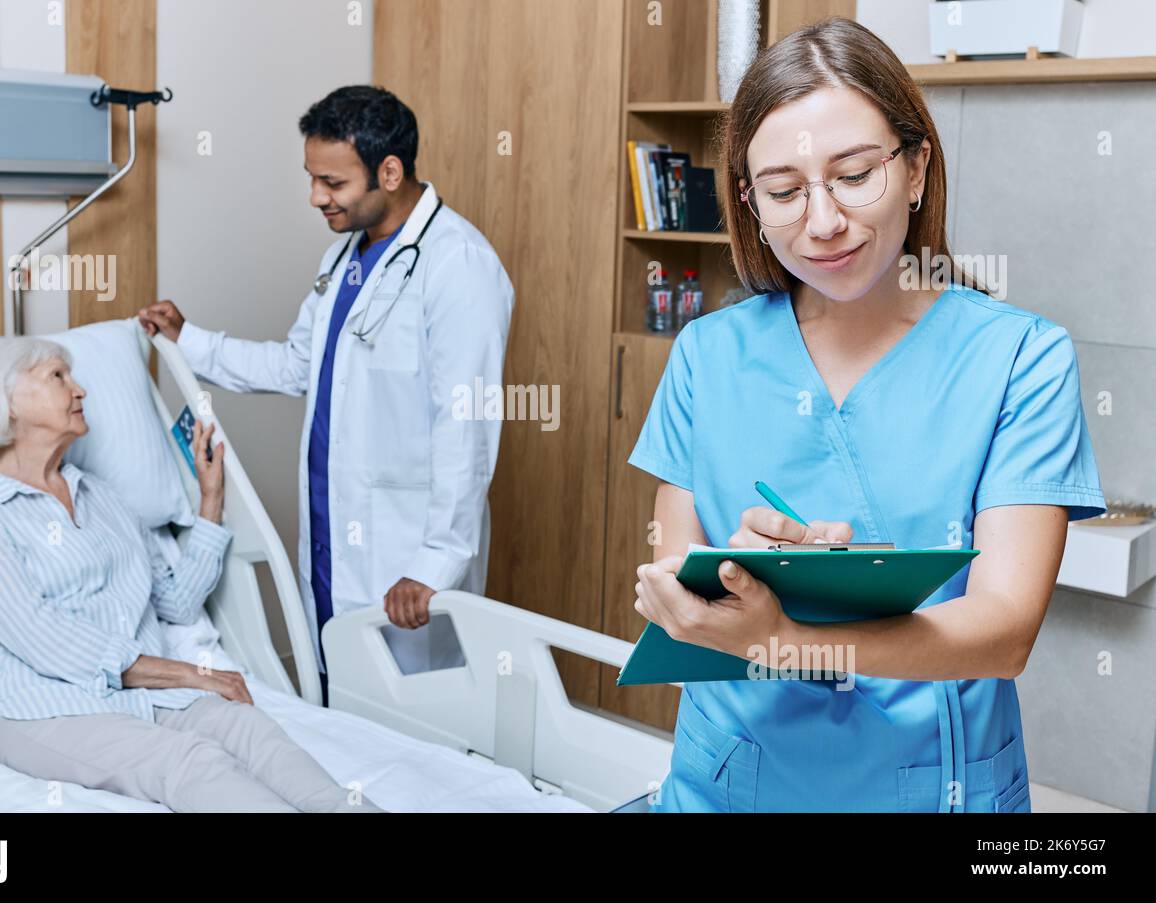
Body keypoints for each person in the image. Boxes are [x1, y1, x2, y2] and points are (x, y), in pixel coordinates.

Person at [628, 17, 1105, 812]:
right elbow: (678, 618)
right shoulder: (705, 356)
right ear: (749, 200)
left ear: (917, 166)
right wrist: (728, 584)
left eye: (854, 175)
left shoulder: (1020, 359)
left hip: (928, 784)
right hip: (728, 782)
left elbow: (1005, 629)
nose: (821, 222)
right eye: (783, 191)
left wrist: (787, 636)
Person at [139, 86, 513, 692]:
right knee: (343, 702)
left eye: (333, 183)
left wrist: (435, 563)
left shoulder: (457, 264)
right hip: (333, 527)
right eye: (312, 179)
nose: (317, 197)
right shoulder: (344, 258)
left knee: (417, 719)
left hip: (405, 547)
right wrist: (191, 342)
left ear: (389, 172)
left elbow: (466, 424)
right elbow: (297, 366)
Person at [0, 336, 381, 812]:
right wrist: (185, 673)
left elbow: (173, 602)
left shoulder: (103, 500)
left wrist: (211, 502)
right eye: (57, 377)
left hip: (141, 695)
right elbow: (40, 634)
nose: (80, 390)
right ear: (7, 404)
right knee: (192, 762)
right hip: (39, 708)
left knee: (249, 729)